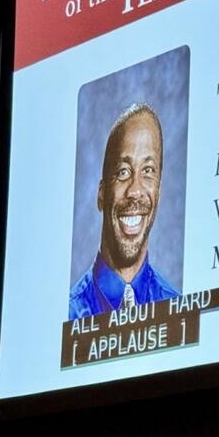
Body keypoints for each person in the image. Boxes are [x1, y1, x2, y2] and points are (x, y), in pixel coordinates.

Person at [68, 102, 179, 319]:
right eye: (123, 172)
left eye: (148, 171)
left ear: (159, 191)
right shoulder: (68, 312)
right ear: (102, 193)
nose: (135, 191)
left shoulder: (178, 309)